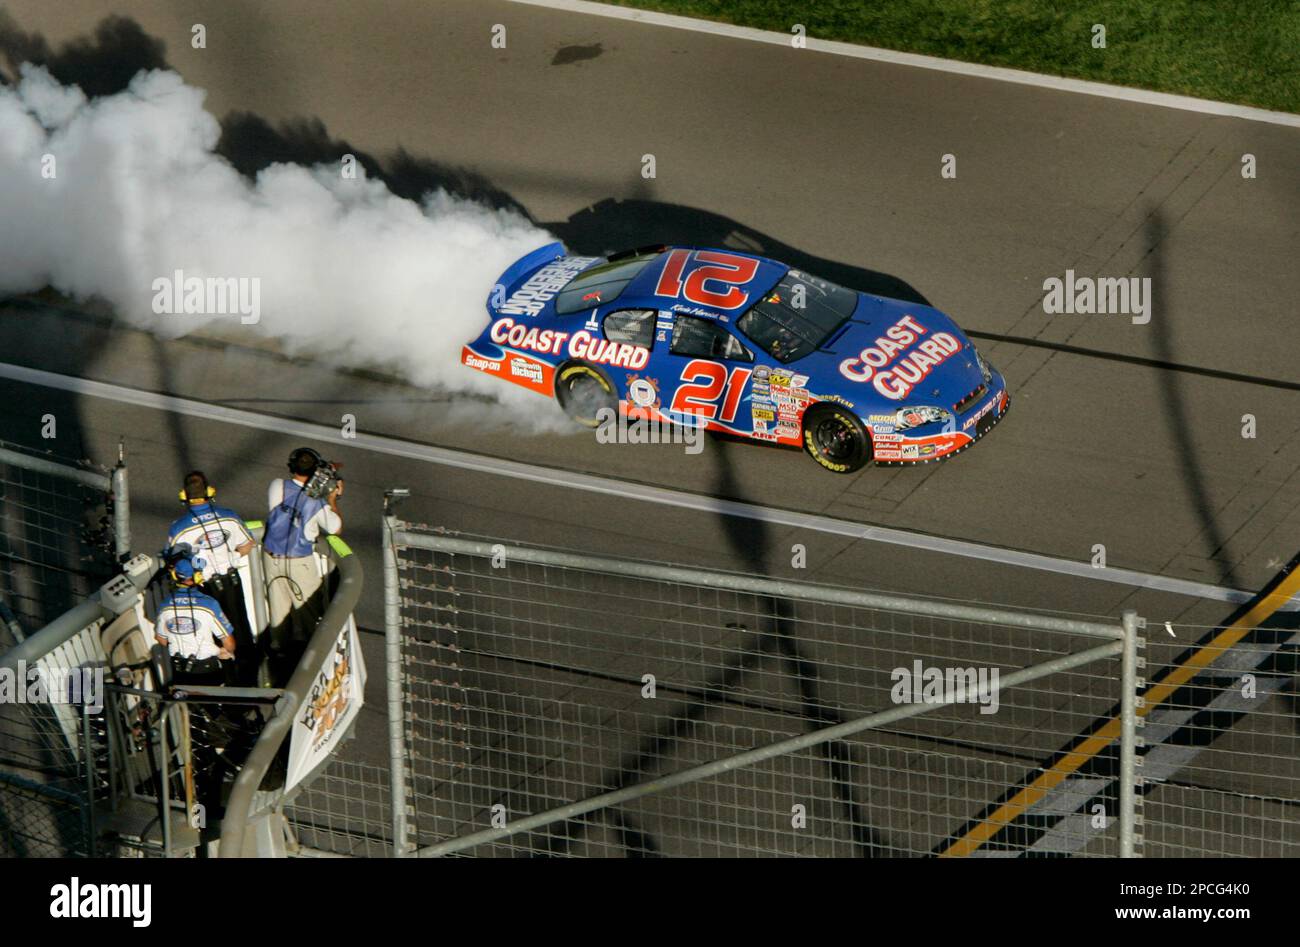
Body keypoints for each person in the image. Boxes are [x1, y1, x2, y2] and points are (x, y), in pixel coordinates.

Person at [166, 470, 259, 685]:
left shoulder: (178, 528)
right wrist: (233, 556)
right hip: (231, 584)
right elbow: (248, 543)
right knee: (242, 634)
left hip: (205, 588)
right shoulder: (229, 516)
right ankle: (250, 684)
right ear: (210, 492)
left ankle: (227, 684)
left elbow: (174, 559)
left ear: (184, 497)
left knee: (217, 638)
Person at [262, 447, 343, 684]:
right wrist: (332, 497)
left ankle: (277, 662)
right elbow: (335, 528)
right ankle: (308, 669)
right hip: (300, 562)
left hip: (270, 558)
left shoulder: (277, 486)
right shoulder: (318, 504)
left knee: (278, 612)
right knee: (308, 614)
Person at [153, 556, 236, 687]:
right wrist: (225, 652)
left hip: (179, 671)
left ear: (175, 577)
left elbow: (160, 638)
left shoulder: (164, 605)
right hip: (208, 670)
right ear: (197, 576)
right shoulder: (209, 604)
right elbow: (228, 642)